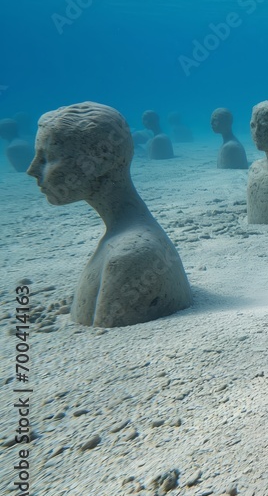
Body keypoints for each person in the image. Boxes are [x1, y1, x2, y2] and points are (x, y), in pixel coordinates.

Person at [26, 102, 191, 327]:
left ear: (101, 157)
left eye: (48, 158)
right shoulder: (121, 245)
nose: (32, 170)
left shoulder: (129, 256)